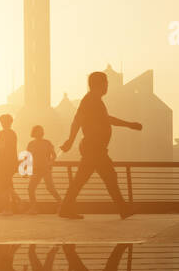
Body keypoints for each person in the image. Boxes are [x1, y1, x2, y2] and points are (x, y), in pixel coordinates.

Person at [58, 71, 142, 220]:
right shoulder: (91, 100)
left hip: (94, 148)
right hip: (94, 148)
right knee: (107, 177)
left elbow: (102, 119)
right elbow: (79, 120)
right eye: (106, 83)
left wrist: (129, 125)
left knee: (86, 179)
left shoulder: (93, 100)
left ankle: (65, 208)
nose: (107, 86)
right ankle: (123, 209)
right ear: (99, 84)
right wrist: (129, 125)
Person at [24, 125, 61, 214]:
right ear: (34, 132)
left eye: (41, 131)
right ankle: (33, 208)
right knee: (31, 189)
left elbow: (54, 155)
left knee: (50, 188)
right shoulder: (31, 144)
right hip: (35, 169)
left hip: (45, 169)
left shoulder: (47, 143)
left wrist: (50, 162)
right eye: (37, 131)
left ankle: (62, 204)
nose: (39, 132)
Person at [0, 114, 23, 214]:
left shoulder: (4, 133)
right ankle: (17, 200)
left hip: (4, 162)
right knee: (8, 184)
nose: (2, 124)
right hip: (11, 162)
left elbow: (3, 145)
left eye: (2, 122)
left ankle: (8, 208)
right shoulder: (13, 133)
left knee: (5, 186)